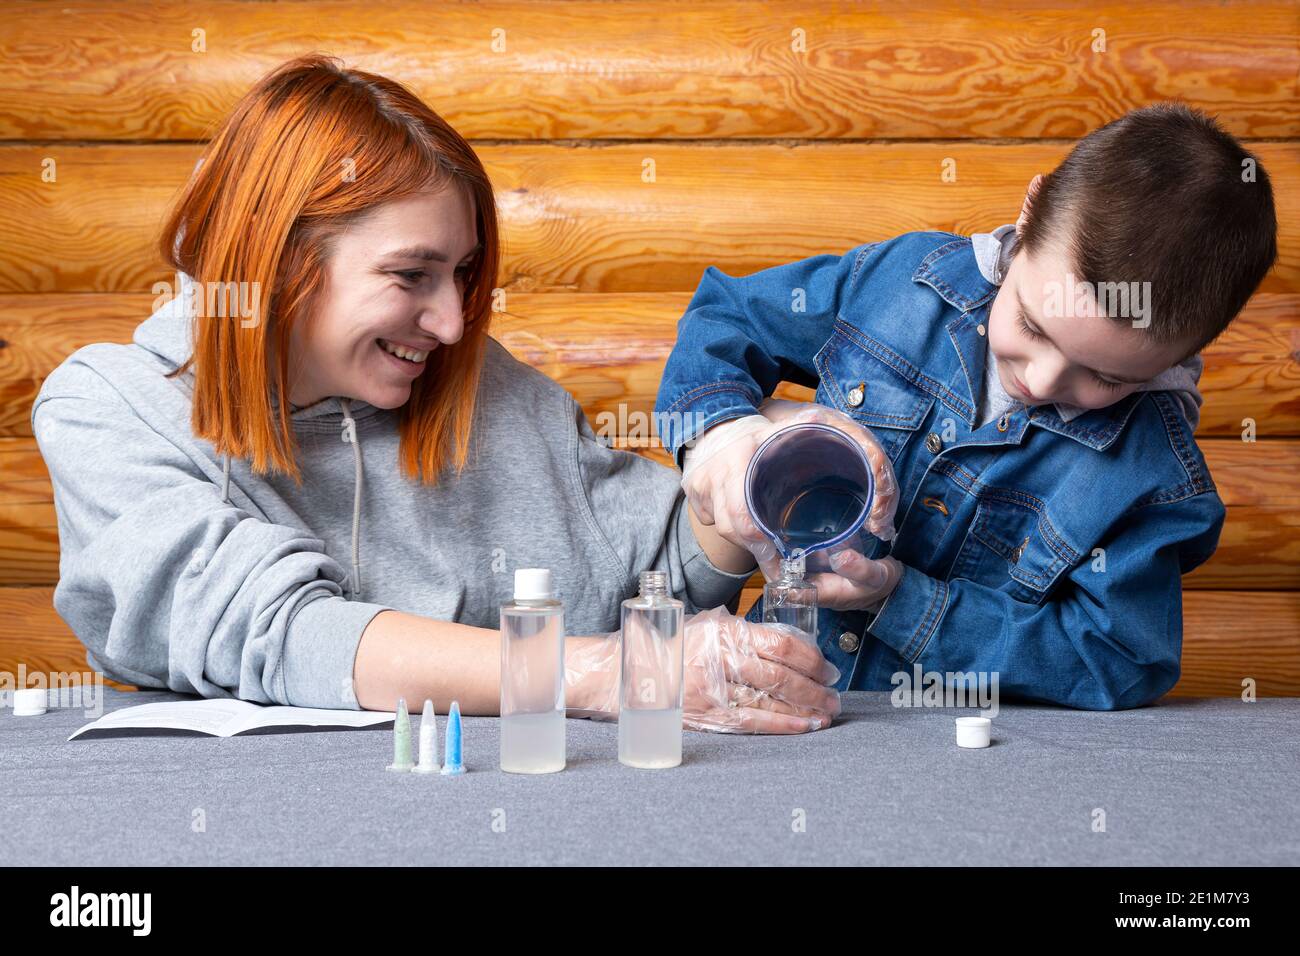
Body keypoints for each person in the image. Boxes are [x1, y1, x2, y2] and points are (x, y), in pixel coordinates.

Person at [31, 55, 841, 733]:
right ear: (276, 259)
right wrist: (605, 673)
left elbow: (661, 562)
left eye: (460, 275)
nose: (452, 324)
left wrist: (755, 458)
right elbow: (278, 633)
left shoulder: (475, 382)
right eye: (410, 275)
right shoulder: (109, 406)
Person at [656, 103, 1278, 710]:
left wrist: (900, 600)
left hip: (961, 755)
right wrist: (721, 436)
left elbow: (1117, 659)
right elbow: (726, 318)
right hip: (770, 702)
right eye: (1033, 327)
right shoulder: (900, 283)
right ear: (1030, 213)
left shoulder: (1152, 476)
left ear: (1185, 352)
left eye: (1105, 378)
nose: (1042, 380)